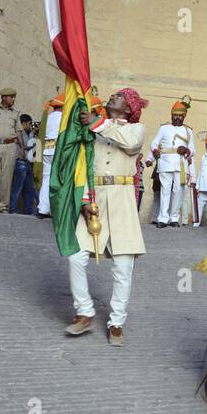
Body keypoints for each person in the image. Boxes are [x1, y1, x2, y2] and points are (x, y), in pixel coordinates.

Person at [66, 88, 148, 346]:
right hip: (96, 196)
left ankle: (116, 323)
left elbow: (129, 142)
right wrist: (85, 200)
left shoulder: (137, 129)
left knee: (123, 266)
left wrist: (97, 122)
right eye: (113, 95)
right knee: (76, 256)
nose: (112, 97)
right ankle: (84, 311)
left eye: (119, 97)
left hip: (123, 199)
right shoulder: (93, 128)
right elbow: (83, 164)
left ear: (128, 108)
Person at [150, 100, 196, 228]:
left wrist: (187, 150)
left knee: (178, 191)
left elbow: (193, 149)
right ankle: (163, 218)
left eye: (180, 116)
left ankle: (174, 218)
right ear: (171, 115)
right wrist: (154, 151)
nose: (177, 118)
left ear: (184, 116)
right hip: (165, 163)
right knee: (165, 191)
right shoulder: (164, 128)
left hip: (181, 165)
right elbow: (154, 143)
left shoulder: (188, 131)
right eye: (175, 115)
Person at [36, 92, 65, 218]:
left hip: (47, 150)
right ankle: (55, 210)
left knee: (47, 179)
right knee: (59, 181)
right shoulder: (63, 118)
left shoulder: (48, 116)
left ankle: (43, 209)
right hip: (58, 151)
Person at [9, 114, 38, 215]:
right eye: (29, 124)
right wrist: (32, 134)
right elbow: (27, 145)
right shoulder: (20, 133)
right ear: (24, 123)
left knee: (29, 190)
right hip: (21, 163)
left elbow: (36, 146)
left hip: (29, 163)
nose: (31, 126)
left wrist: (36, 134)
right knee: (17, 188)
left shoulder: (29, 133)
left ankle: (28, 211)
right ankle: (13, 209)